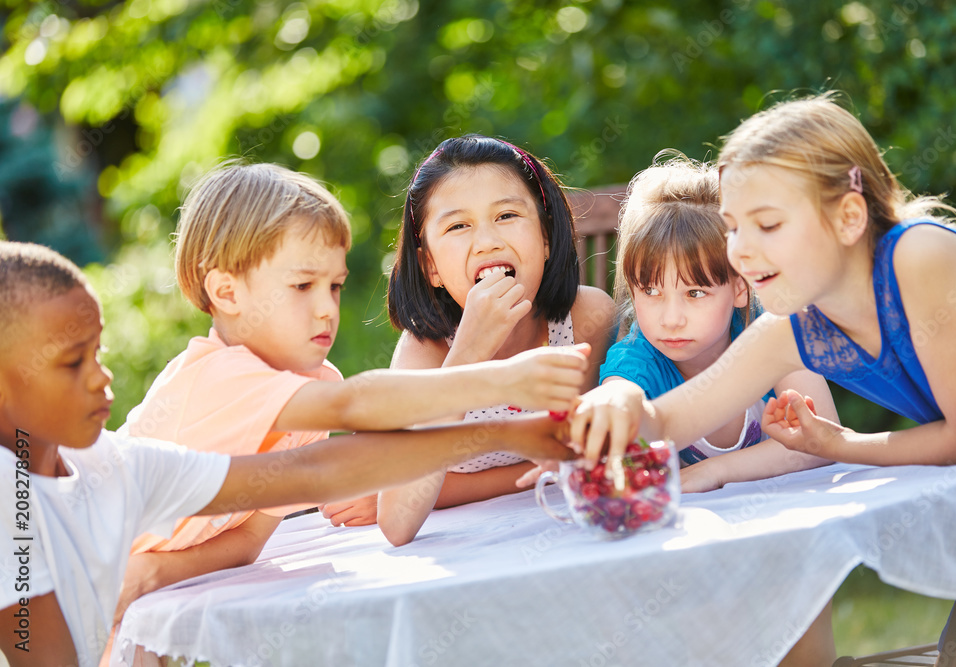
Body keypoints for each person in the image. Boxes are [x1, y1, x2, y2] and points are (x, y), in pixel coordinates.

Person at [570, 93, 956, 665]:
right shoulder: (792, 328)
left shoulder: (919, 257)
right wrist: (617, 402)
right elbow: (668, 420)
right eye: (732, 228)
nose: (742, 253)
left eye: (767, 224)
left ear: (849, 218)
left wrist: (843, 444)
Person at [0, 241, 574, 667]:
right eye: (72, 362)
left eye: (98, 352)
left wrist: (510, 435)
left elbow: (315, 471)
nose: (102, 378)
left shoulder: (117, 465)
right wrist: (490, 380)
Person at [111, 163, 589, 643]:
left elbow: (250, 541)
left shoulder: (310, 381)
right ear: (227, 292)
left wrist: (149, 574)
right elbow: (353, 406)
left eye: (334, 286)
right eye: (303, 286)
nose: (326, 308)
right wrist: (495, 378)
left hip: (117, 592)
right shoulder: (221, 376)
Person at [378, 135, 617, 546]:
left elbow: (609, 450)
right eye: (458, 225)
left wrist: (445, 488)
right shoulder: (427, 352)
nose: (487, 241)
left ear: (544, 238)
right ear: (430, 266)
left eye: (506, 215)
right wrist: (467, 354)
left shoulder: (588, 319)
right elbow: (397, 520)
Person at [599, 154, 835, 494]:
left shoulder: (774, 335)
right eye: (651, 290)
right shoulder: (635, 361)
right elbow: (620, 399)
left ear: (740, 287)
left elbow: (822, 437)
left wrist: (716, 471)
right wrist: (611, 403)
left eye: (695, 293)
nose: (671, 319)